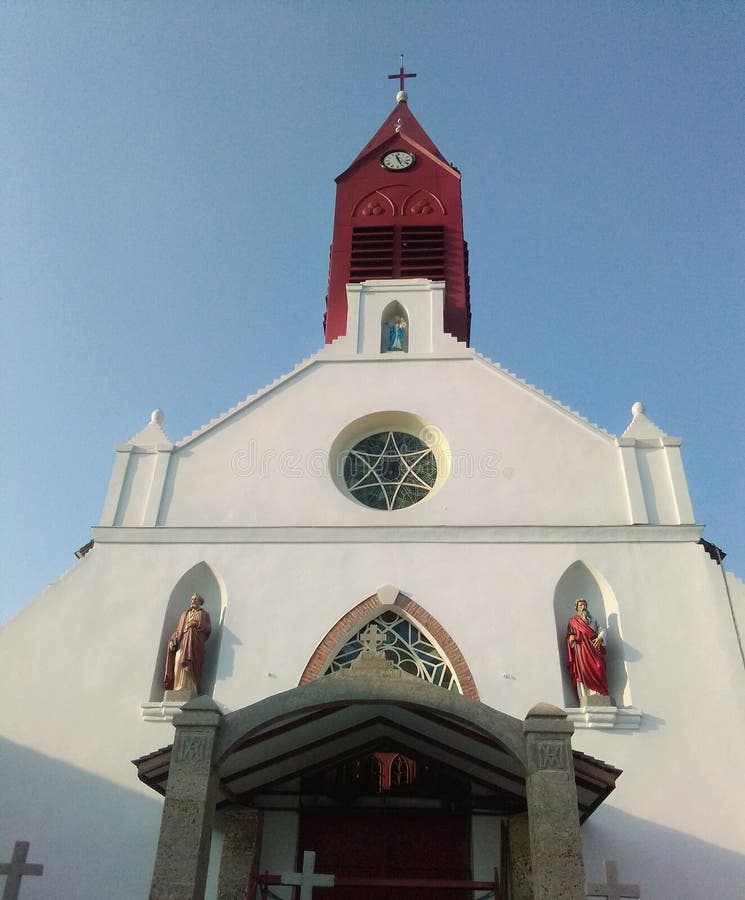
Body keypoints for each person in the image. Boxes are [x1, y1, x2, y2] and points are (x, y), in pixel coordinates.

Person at [164, 593, 212, 694]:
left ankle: (191, 689)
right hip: (183, 642)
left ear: (200, 602)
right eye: (192, 599)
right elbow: (179, 630)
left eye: (195, 599)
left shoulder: (204, 614)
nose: (193, 601)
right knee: (178, 662)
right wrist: (173, 639)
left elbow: (208, 629)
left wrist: (196, 625)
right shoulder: (184, 614)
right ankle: (177, 688)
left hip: (195, 644)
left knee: (192, 664)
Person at [566, 598, 608, 700]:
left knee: (599, 666)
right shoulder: (573, 621)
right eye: (580, 605)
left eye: (584, 605)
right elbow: (570, 636)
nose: (583, 607)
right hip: (581, 650)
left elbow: (602, 629)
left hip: (594, 647)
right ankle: (587, 693)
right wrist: (571, 639)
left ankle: (600, 693)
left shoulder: (593, 619)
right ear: (576, 607)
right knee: (584, 670)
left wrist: (600, 637)